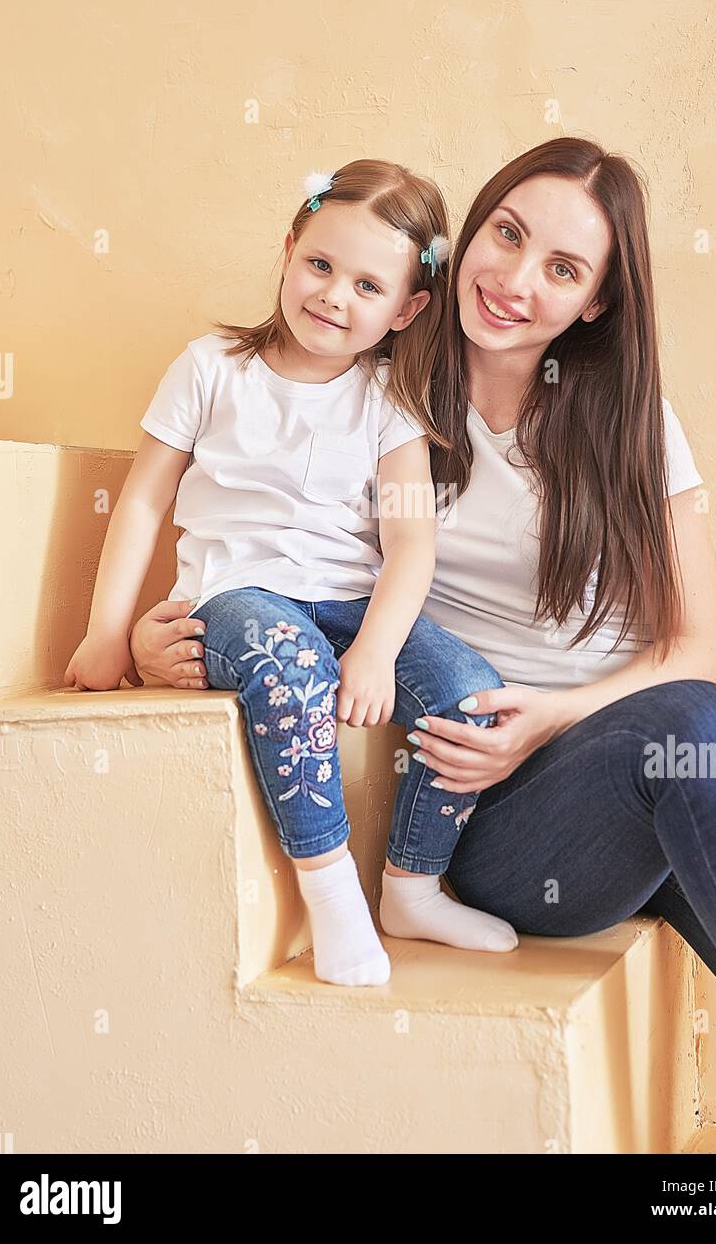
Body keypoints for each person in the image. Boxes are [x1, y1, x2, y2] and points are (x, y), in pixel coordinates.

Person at [127, 137, 716, 1099]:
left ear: (595, 303)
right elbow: (259, 532)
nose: (512, 279)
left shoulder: (632, 420)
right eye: (505, 233)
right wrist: (150, 634)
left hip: (626, 756)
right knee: (706, 734)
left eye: (563, 268)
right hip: (487, 806)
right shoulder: (372, 384)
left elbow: (694, 648)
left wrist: (554, 714)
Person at [64, 159, 517, 991]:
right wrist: (104, 634)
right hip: (241, 596)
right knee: (291, 666)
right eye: (320, 265)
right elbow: (140, 505)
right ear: (288, 250)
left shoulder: (389, 399)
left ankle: (413, 886)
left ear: (408, 308)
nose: (334, 296)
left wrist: (378, 653)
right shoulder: (210, 368)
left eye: (368, 286)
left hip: (350, 600)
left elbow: (410, 544)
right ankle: (330, 889)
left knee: (471, 694)